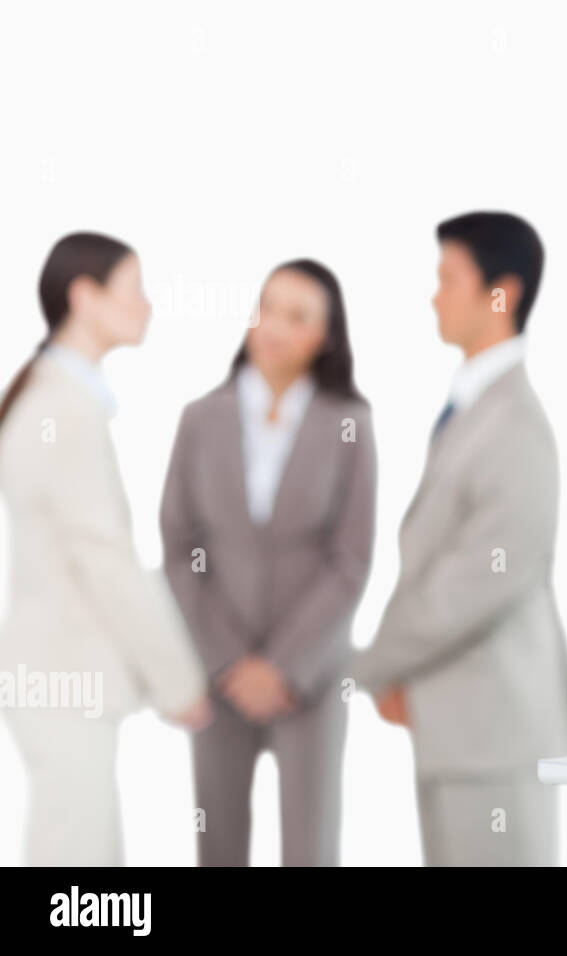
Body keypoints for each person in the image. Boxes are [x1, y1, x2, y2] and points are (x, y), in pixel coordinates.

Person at [352, 211, 567, 865]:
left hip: (493, 729)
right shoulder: (475, 408)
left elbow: (474, 584)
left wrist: (372, 665)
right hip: (456, 722)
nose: (434, 295)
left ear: (500, 292)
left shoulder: (515, 424)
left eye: (447, 278)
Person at [0, 231, 210, 865]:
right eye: (134, 290)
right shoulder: (63, 410)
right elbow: (107, 562)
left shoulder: (56, 398)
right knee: (78, 873)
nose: (146, 305)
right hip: (63, 677)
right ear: (85, 297)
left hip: (57, 676)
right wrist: (179, 681)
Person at [159, 259, 377, 866]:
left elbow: (351, 559)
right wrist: (230, 660)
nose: (276, 326)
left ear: (325, 337)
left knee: (310, 845)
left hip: (309, 674)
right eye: (268, 308)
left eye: (298, 315)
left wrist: (281, 666)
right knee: (218, 843)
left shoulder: (350, 425)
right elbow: (179, 547)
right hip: (218, 666)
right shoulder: (201, 418)